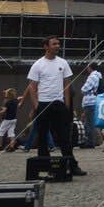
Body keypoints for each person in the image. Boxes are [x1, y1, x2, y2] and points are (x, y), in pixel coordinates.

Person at [24, 36, 83, 176]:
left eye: (58, 44)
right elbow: (32, 87)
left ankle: (72, 165)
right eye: (54, 44)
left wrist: (67, 105)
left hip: (59, 104)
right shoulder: (38, 64)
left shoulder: (63, 63)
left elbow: (67, 85)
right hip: (44, 103)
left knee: (64, 137)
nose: (57, 46)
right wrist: (36, 105)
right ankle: (45, 166)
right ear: (46, 46)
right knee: (42, 137)